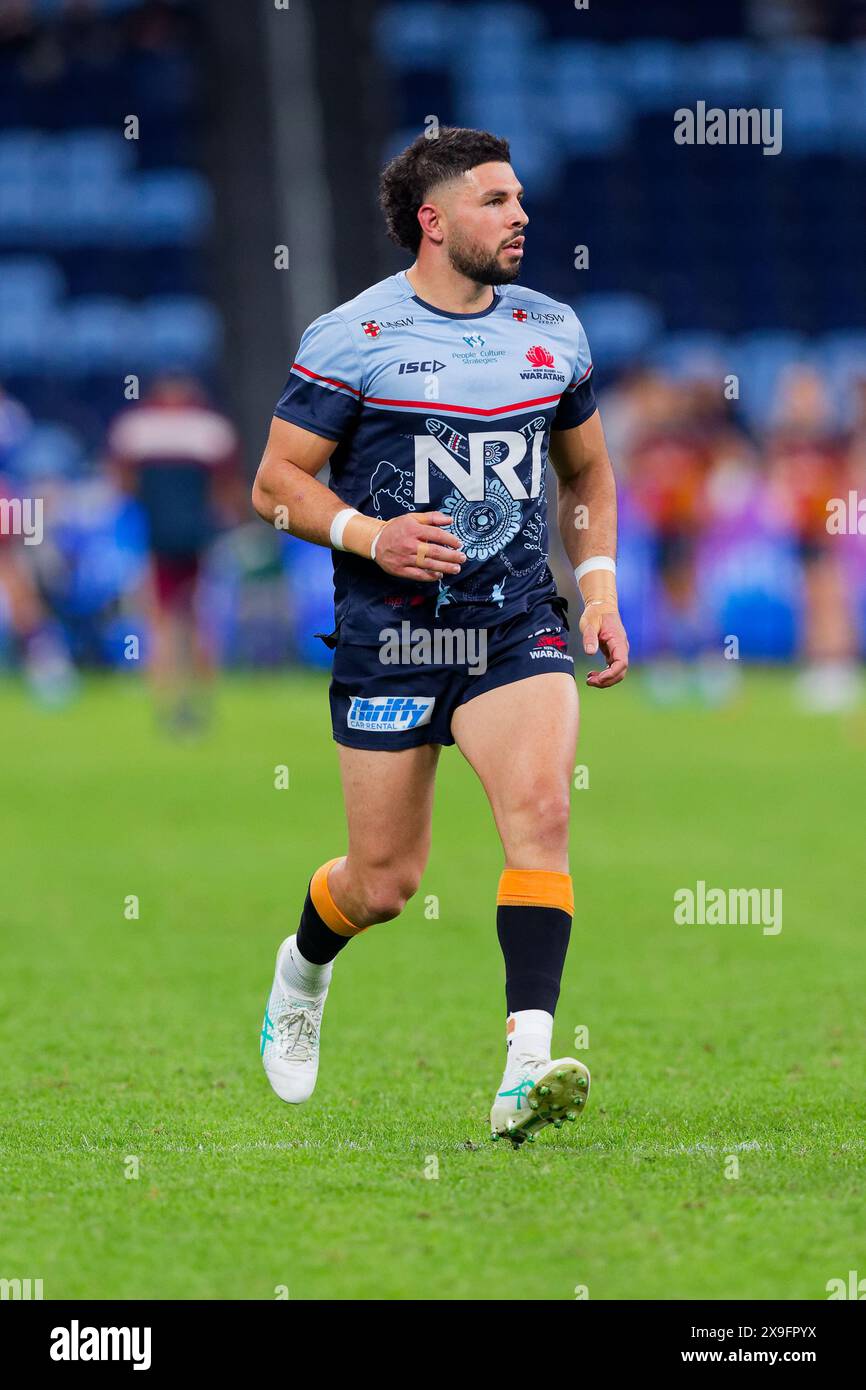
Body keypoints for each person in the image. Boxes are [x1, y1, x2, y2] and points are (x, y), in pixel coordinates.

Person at [252, 128, 629, 1144]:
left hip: (514, 626)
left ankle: (523, 1063)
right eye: (495, 201)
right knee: (382, 883)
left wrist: (594, 588)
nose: (519, 217)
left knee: (540, 812)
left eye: (519, 199)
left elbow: (586, 472)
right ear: (433, 221)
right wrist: (372, 534)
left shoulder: (551, 331)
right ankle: (301, 971)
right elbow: (274, 484)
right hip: (393, 637)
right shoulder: (350, 337)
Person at [107, 374, 242, 731]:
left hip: (157, 536)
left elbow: (122, 482)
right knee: (198, 616)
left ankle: (168, 704)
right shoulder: (210, 429)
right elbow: (225, 490)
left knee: (161, 619)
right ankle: (202, 700)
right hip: (198, 535)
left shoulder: (136, 428)